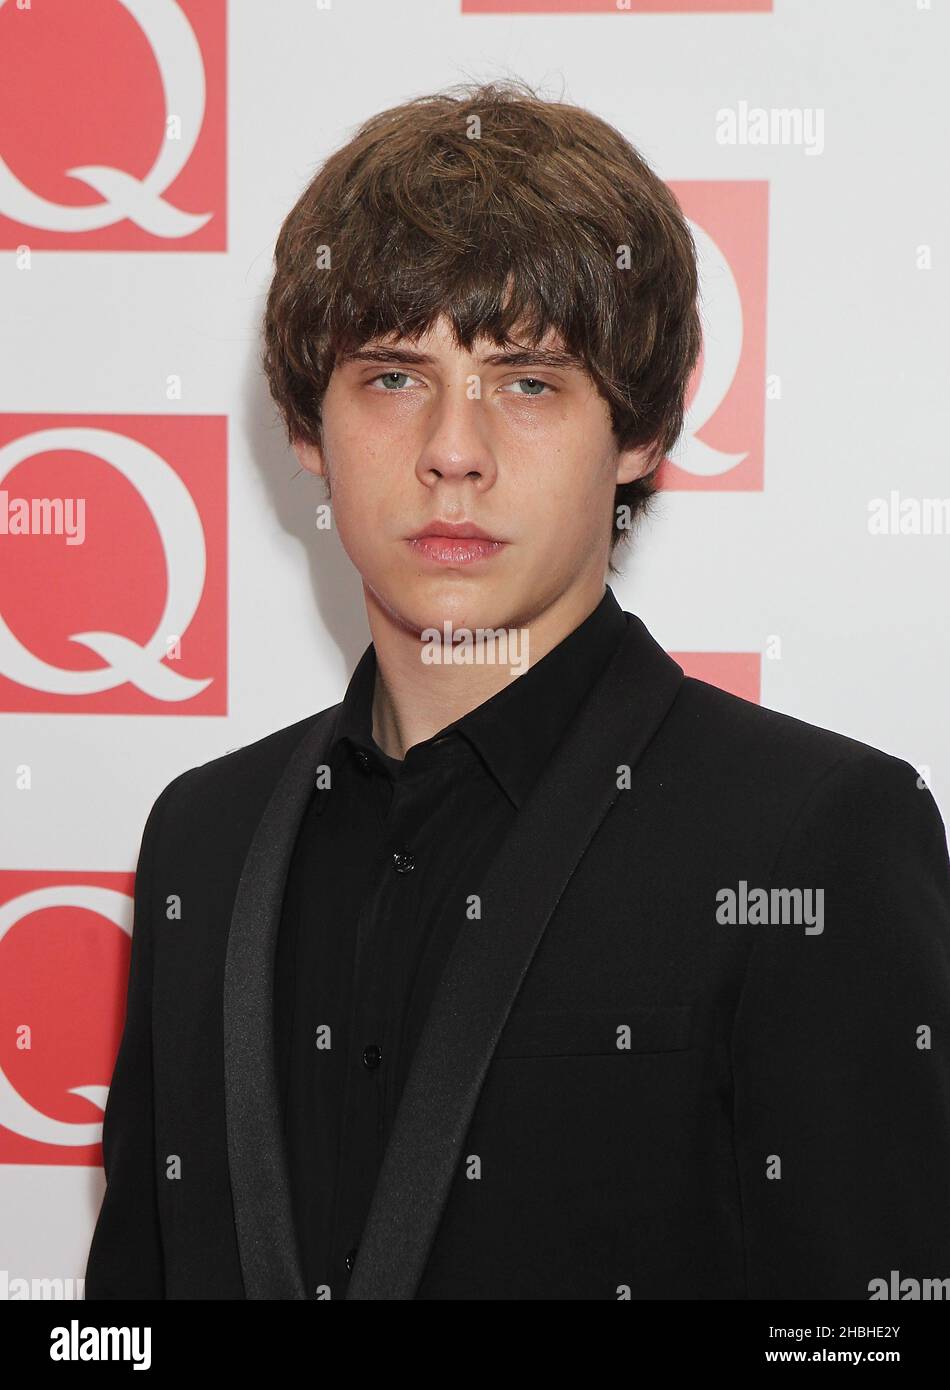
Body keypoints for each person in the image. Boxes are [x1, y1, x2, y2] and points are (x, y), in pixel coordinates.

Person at [85, 79, 950, 1301]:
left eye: (529, 381)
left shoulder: (812, 834)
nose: (454, 448)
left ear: (640, 433)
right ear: (304, 424)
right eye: (392, 376)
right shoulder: (202, 836)